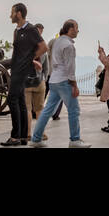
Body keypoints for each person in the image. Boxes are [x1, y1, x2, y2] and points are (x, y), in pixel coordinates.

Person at [30, 19, 89, 147]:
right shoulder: (69, 46)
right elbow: (70, 68)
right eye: (76, 28)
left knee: (47, 111)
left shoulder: (56, 42)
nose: (78, 31)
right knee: (74, 110)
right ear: (71, 29)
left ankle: (36, 139)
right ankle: (75, 140)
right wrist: (74, 85)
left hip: (54, 80)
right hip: (64, 81)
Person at [2, 3, 47, 146]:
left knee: (11, 100)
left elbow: (43, 47)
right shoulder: (17, 31)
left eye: (12, 12)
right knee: (21, 101)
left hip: (22, 71)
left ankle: (15, 137)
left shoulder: (31, 29)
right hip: (16, 70)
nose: (10, 15)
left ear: (19, 14)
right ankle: (22, 137)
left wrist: (30, 59)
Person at [27, 23, 48, 120]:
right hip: (39, 80)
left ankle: (28, 133)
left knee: (28, 109)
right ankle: (40, 133)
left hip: (28, 80)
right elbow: (46, 68)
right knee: (39, 109)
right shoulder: (43, 47)